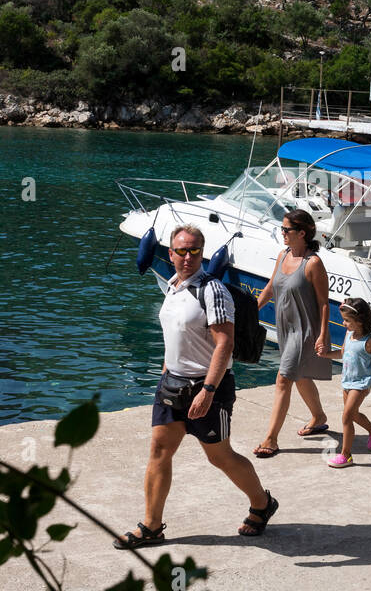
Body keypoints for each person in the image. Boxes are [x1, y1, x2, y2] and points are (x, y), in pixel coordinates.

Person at [115, 224, 277, 548]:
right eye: (181, 251)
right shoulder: (173, 287)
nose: (187, 257)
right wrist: (164, 377)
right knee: (160, 451)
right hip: (171, 385)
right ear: (170, 253)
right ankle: (151, 526)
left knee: (220, 457)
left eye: (194, 251)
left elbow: (225, 343)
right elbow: (174, 339)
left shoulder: (212, 290)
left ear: (202, 253)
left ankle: (262, 503)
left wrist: (208, 390)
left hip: (206, 389)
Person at [252, 209, 331, 458]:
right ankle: (318, 417)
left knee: (283, 379)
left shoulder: (313, 263)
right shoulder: (283, 255)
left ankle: (271, 438)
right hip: (285, 328)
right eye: (282, 228)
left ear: (302, 233)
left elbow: (324, 303)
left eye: (286, 230)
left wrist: (322, 335)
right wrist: (250, 311)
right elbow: (270, 288)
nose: (282, 233)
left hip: (305, 330)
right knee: (299, 376)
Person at [323, 297, 371, 468]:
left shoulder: (370, 341)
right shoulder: (349, 334)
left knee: (346, 417)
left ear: (360, 321)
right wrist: (326, 355)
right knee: (354, 415)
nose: (343, 323)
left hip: (361, 383)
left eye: (347, 321)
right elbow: (343, 353)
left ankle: (346, 455)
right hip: (347, 381)